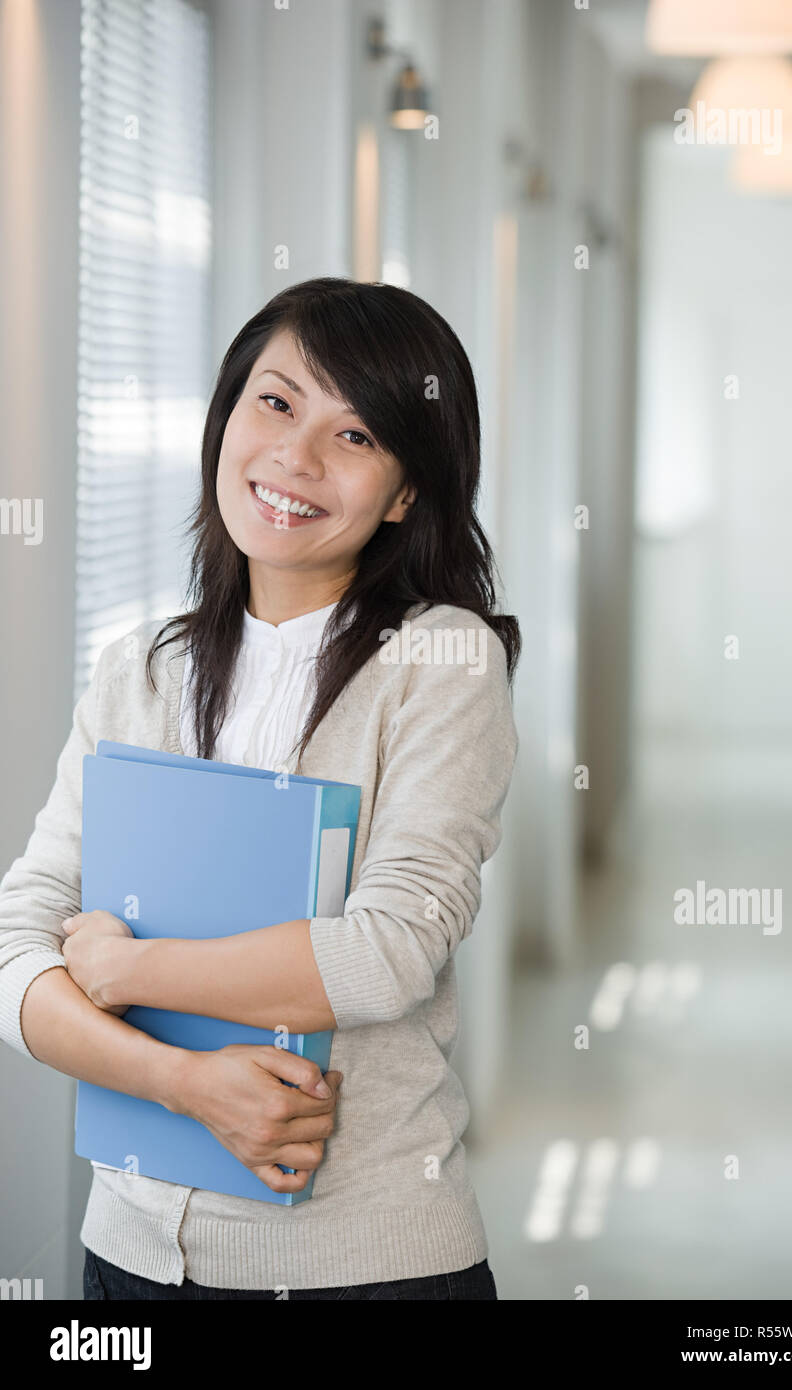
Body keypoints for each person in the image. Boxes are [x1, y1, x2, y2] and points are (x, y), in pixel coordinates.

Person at [0, 276, 521, 1300]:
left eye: (357, 434)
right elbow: (19, 945)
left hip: (364, 1266)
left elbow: (386, 954)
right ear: (226, 415)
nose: (295, 458)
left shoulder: (442, 662)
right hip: (130, 1256)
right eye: (276, 402)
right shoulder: (137, 670)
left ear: (407, 491)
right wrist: (185, 1084)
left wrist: (123, 968)